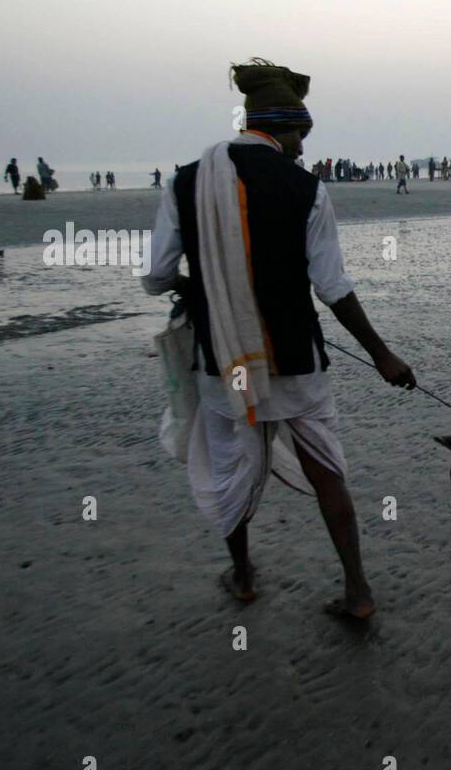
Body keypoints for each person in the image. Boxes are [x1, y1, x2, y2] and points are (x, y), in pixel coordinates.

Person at [141, 58, 415, 619]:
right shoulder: (306, 189)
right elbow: (333, 288)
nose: (303, 150)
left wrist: (204, 285)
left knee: (228, 472)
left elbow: (155, 278)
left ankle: (242, 577)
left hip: (223, 365)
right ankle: (358, 591)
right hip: (297, 362)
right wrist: (382, 355)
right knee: (327, 471)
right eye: (300, 136)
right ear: (280, 127)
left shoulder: (185, 181)